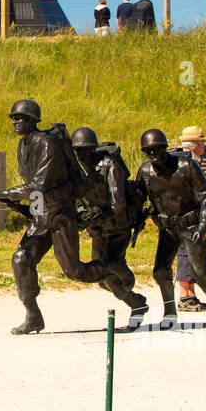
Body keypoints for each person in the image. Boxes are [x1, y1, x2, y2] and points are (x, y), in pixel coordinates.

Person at [0, 99, 109, 335]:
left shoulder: (47, 145)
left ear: (33, 121)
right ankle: (33, 317)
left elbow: (36, 186)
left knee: (74, 271)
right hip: (41, 214)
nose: (15, 122)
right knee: (21, 260)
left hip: (60, 214)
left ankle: (111, 268)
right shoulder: (24, 145)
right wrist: (9, 199)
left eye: (19, 118)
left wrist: (2, 193)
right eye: (13, 118)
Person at [135, 128, 206, 327]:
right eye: (148, 151)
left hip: (190, 226)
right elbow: (138, 201)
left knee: (201, 274)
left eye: (156, 149)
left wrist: (202, 227)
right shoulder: (145, 172)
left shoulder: (186, 166)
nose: (152, 155)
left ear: (165, 148)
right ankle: (170, 312)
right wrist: (139, 221)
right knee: (160, 271)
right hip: (167, 229)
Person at [67, 127, 148, 327]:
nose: (81, 154)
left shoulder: (110, 165)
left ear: (94, 149)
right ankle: (136, 303)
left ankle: (126, 278)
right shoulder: (78, 170)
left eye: (86, 150)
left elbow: (118, 203)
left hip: (118, 226)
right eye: (78, 150)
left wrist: (95, 217)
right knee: (101, 278)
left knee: (107, 268)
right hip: (98, 229)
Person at [175, 125, 206, 311]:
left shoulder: (188, 160)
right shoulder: (186, 163)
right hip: (185, 216)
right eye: (202, 142)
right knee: (185, 255)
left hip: (187, 215)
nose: (204, 145)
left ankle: (190, 295)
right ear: (195, 144)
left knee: (190, 254)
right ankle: (184, 297)